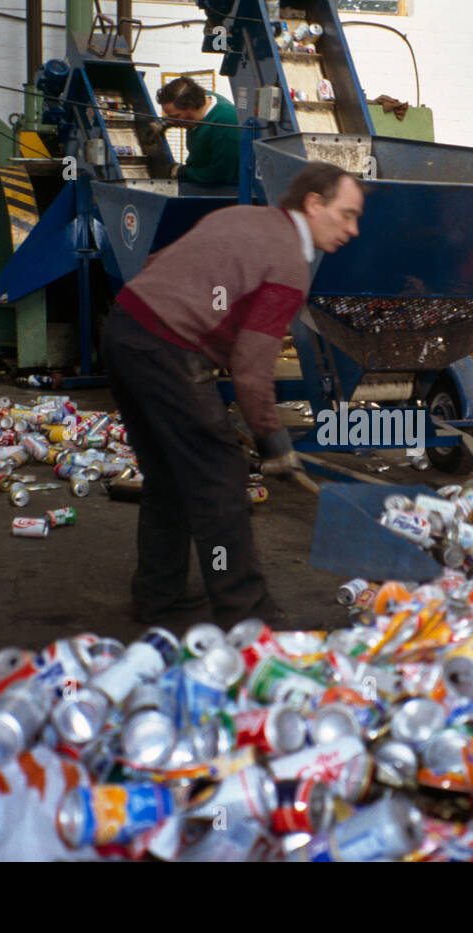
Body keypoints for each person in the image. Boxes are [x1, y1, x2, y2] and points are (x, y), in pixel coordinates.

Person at [101, 162, 364, 629]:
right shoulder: (289, 263)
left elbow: (157, 264)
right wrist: (272, 439)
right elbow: (251, 366)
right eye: (346, 215)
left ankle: (158, 600)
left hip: (124, 330)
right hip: (167, 350)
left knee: (169, 476)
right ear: (313, 204)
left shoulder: (241, 216)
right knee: (220, 477)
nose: (353, 229)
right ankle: (246, 617)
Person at [143, 77, 240, 186]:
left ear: (191, 106)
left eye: (175, 116)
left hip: (223, 189)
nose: (171, 119)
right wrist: (164, 124)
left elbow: (220, 175)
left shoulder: (226, 123)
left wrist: (182, 172)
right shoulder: (201, 98)